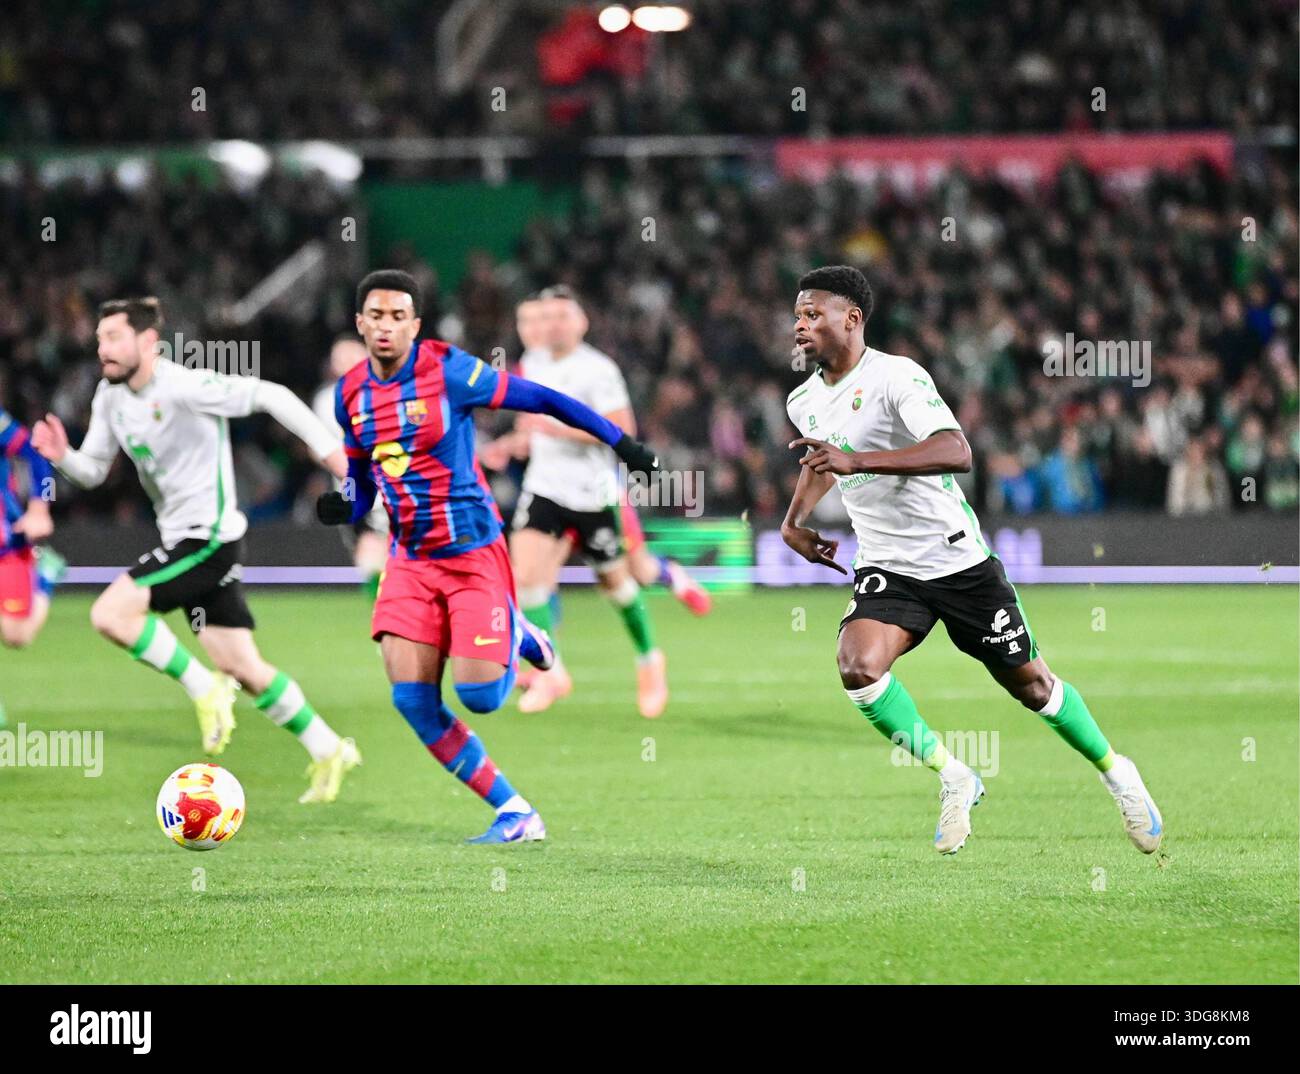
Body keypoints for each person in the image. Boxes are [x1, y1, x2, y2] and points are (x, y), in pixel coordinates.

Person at [781, 266, 1163, 855]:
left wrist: (859, 462)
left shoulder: (896, 377)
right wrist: (794, 522)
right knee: (857, 666)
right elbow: (820, 459)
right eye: (798, 314)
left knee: (1034, 687)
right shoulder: (802, 398)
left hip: (957, 561)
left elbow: (955, 450)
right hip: (890, 565)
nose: (800, 324)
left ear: (851, 319)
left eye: (813, 314)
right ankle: (954, 775)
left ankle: (1118, 772)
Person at [317, 270, 659, 843]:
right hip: (410, 560)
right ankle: (516, 812)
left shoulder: (448, 371)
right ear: (360, 322)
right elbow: (363, 484)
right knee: (412, 701)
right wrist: (343, 508)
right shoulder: (349, 394)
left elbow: (543, 399)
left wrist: (622, 444)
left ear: (415, 325)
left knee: (479, 697)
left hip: (472, 551)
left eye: (399, 316)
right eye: (376, 315)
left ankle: (520, 630)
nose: (386, 326)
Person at [32, 297, 361, 804]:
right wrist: (64, 459)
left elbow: (271, 395)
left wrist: (337, 458)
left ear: (148, 342)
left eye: (114, 338)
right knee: (244, 667)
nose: (103, 349)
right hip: (184, 539)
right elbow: (95, 471)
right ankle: (328, 747)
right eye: (100, 339)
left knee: (111, 614)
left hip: (207, 539)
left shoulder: (185, 387)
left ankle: (203, 688)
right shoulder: (110, 397)